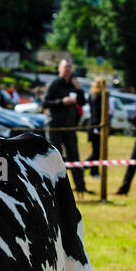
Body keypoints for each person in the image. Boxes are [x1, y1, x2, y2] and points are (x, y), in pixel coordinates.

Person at [42, 58, 87, 193]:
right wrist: (62, 102)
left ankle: (81, 187)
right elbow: (44, 103)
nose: (67, 70)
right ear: (59, 69)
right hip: (54, 125)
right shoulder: (54, 84)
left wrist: (79, 89)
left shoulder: (74, 84)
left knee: (74, 156)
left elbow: (83, 102)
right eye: (65, 67)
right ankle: (55, 188)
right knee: (55, 157)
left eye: (69, 67)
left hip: (69, 126)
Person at [86, 75, 110, 177]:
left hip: (92, 125)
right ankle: (91, 170)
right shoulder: (99, 97)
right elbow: (97, 114)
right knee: (97, 152)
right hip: (96, 126)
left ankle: (89, 168)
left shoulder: (92, 95)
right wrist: (98, 129)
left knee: (96, 151)